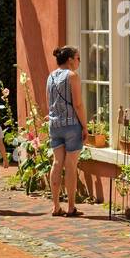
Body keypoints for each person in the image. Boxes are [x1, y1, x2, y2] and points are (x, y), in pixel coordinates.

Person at [46, 45, 86, 217]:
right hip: (71, 125)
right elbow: (77, 104)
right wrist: (85, 126)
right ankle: (70, 207)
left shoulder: (51, 76)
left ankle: (55, 206)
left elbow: (49, 102)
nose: (79, 61)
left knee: (56, 163)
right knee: (70, 165)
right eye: (78, 58)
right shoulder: (72, 76)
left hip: (55, 126)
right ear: (70, 59)